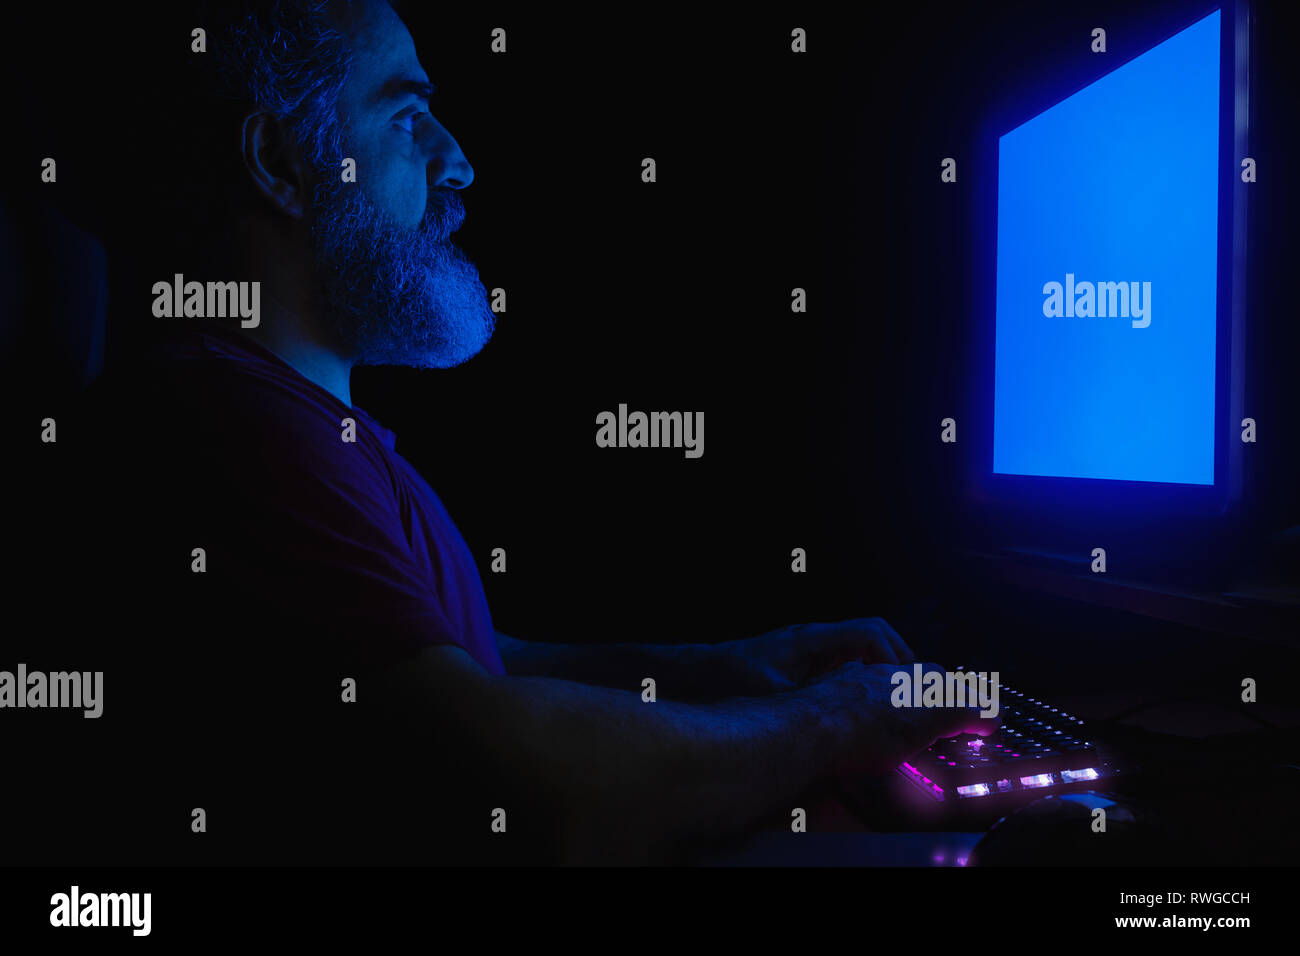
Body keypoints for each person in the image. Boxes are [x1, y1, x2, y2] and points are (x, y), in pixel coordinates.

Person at [67, 0, 993, 864]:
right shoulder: (238, 427)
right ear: (278, 162)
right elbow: (517, 783)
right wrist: (831, 720)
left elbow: (460, 667)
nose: (458, 161)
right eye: (405, 117)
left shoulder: (298, 424)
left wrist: (727, 669)